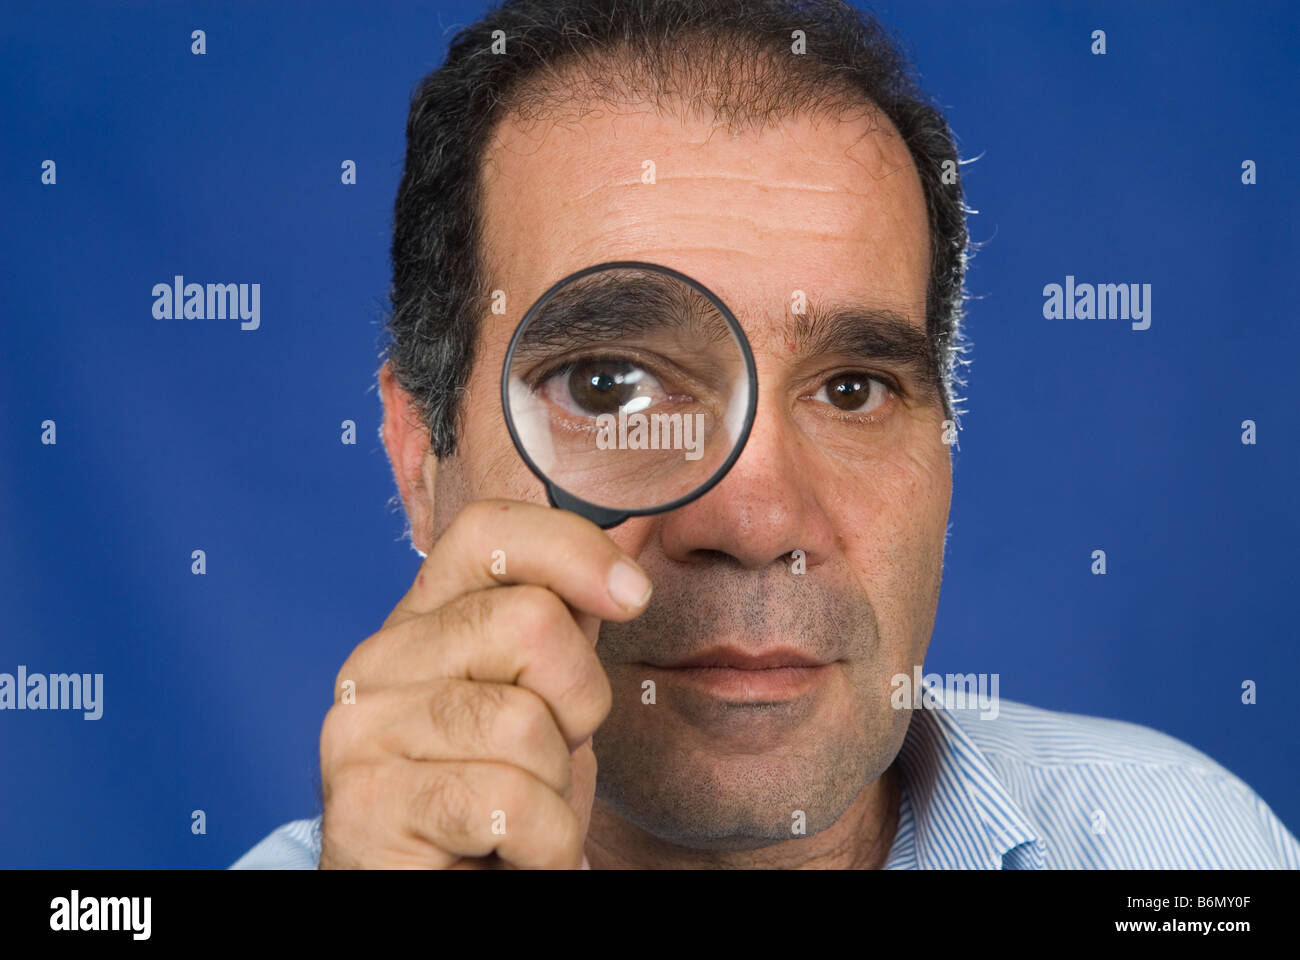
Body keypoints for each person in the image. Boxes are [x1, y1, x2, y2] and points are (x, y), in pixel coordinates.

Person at [233, 0, 1299, 869]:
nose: (753, 519)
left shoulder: (1190, 848)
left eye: (851, 390)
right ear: (421, 463)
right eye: (610, 387)